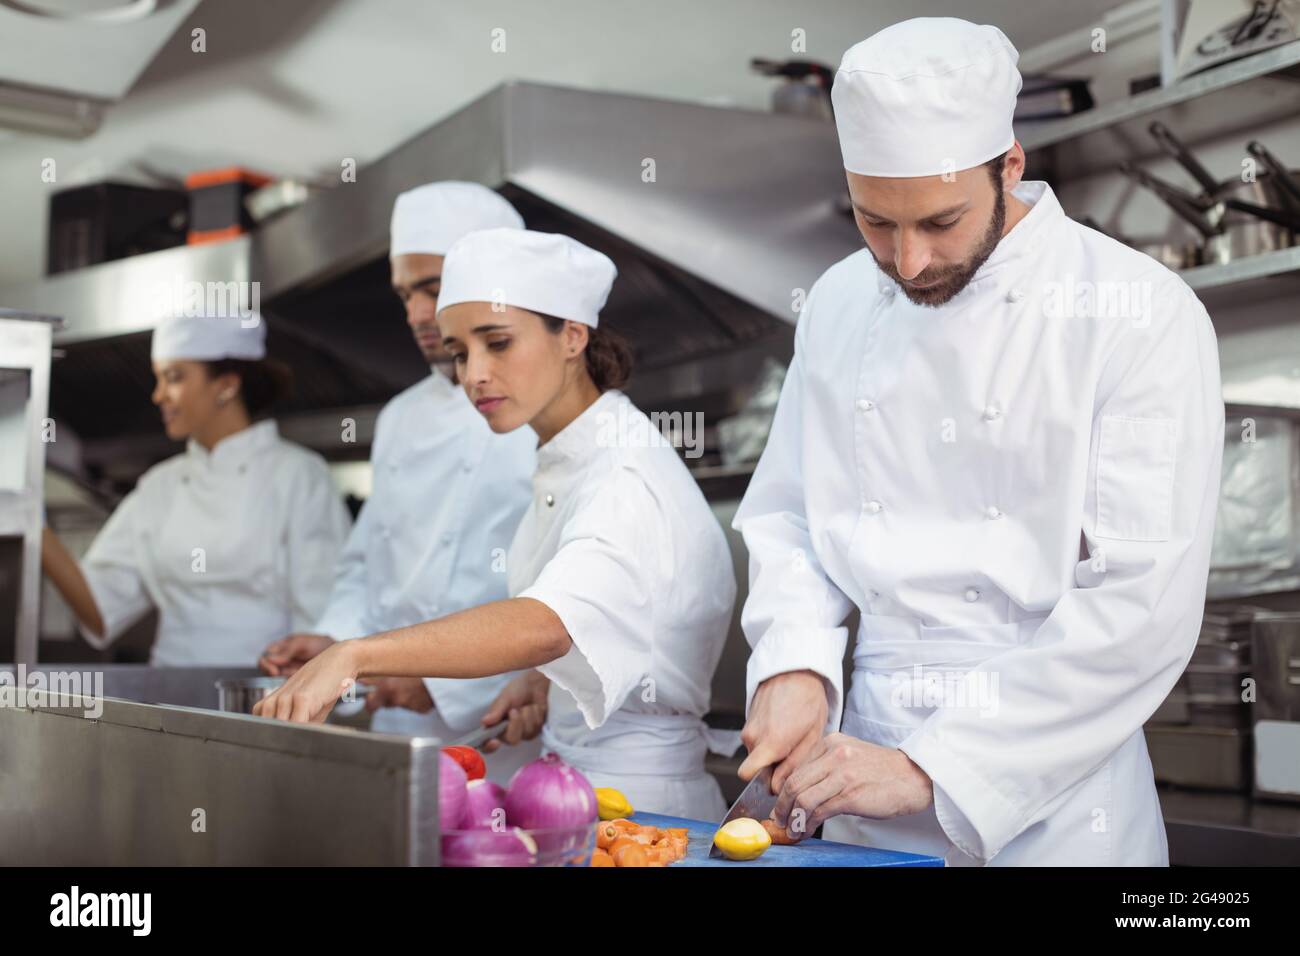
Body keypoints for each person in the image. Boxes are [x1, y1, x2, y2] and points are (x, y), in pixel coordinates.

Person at [733, 17, 1224, 865]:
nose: (909, 259)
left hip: (1051, 794)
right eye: (875, 221)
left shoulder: (1136, 309)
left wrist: (934, 768)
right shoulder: (844, 299)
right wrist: (796, 666)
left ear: (1011, 167)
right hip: (851, 776)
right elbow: (790, 518)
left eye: (940, 221)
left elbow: (1140, 604)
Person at [255, 229, 736, 819]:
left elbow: (547, 625)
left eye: (498, 342)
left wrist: (353, 655)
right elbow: (612, 627)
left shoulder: (623, 471)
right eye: (459, 353)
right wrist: (547, 686)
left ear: (573, 336)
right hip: (581, 794)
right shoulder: (571, 457)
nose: (474, 374)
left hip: (638, 810)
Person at [258, 182, 538, 781]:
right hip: (396, 735)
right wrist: (335, 640)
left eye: (432, 288)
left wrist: (439, 684)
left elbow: (561, 611)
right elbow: (368, 563)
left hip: (506, 741)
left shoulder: (547, 416)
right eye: (404, 292)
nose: (414, 314)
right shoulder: (400, 417)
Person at [41, 312, 351, 666]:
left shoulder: (300, 476)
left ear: (226, 385)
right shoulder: (160, 486)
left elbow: (323, 623)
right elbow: (99, 610)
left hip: (264, 695)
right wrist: (32, 521)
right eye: (157, 380)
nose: (158, 396)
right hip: (170, 698)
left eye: (173, 378)